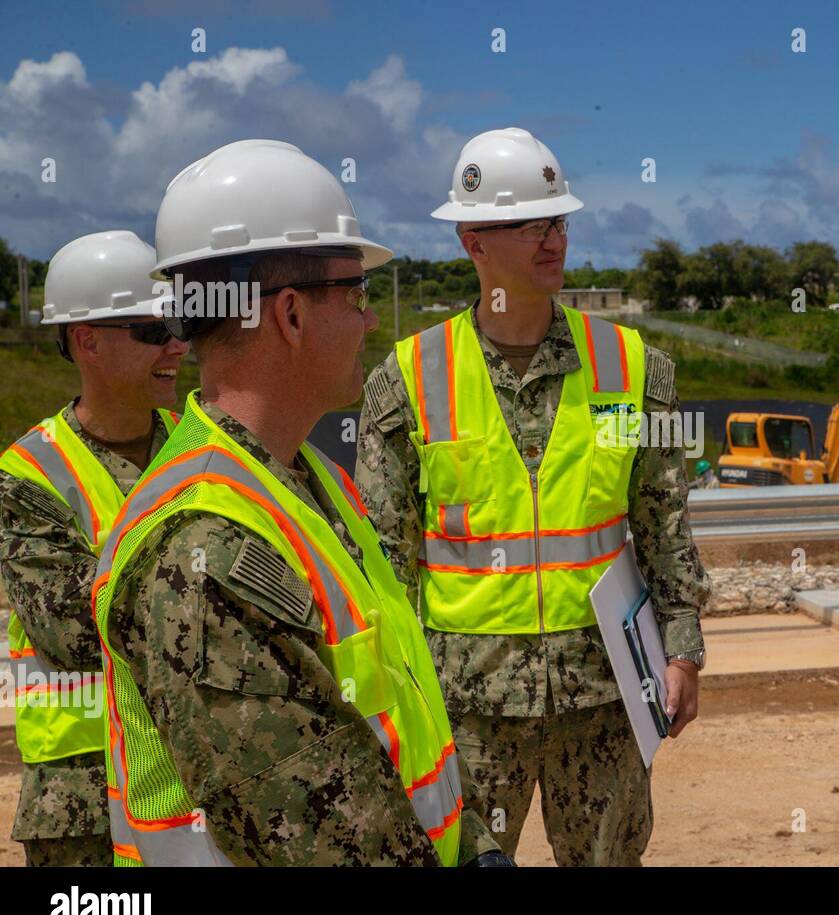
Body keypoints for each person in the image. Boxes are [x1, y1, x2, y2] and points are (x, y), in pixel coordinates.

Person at [93, 139, 504, 866]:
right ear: (290, 314)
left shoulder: (308, 480)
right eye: (356, 295)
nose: (370, 322)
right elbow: (324, 840)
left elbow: (400, 723)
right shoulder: (202, 548)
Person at [356, 127, 710, 865]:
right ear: (473, 240)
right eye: (530, 224)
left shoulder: (636, 368)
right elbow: (385, 566)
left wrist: (683, 655)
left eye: (559, 220)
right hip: (467, 708)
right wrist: (394, 699)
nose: (553, 240)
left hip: (607, 696)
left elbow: (665, 526)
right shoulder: (407, 379)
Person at [0, 230, 186, 866]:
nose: (178, 346)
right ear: (88, 341)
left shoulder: (206, 447)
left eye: (180, 324)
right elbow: (76, 629)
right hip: (82, 802)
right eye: (153, 332)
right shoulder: (29, 473)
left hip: (192, 773)